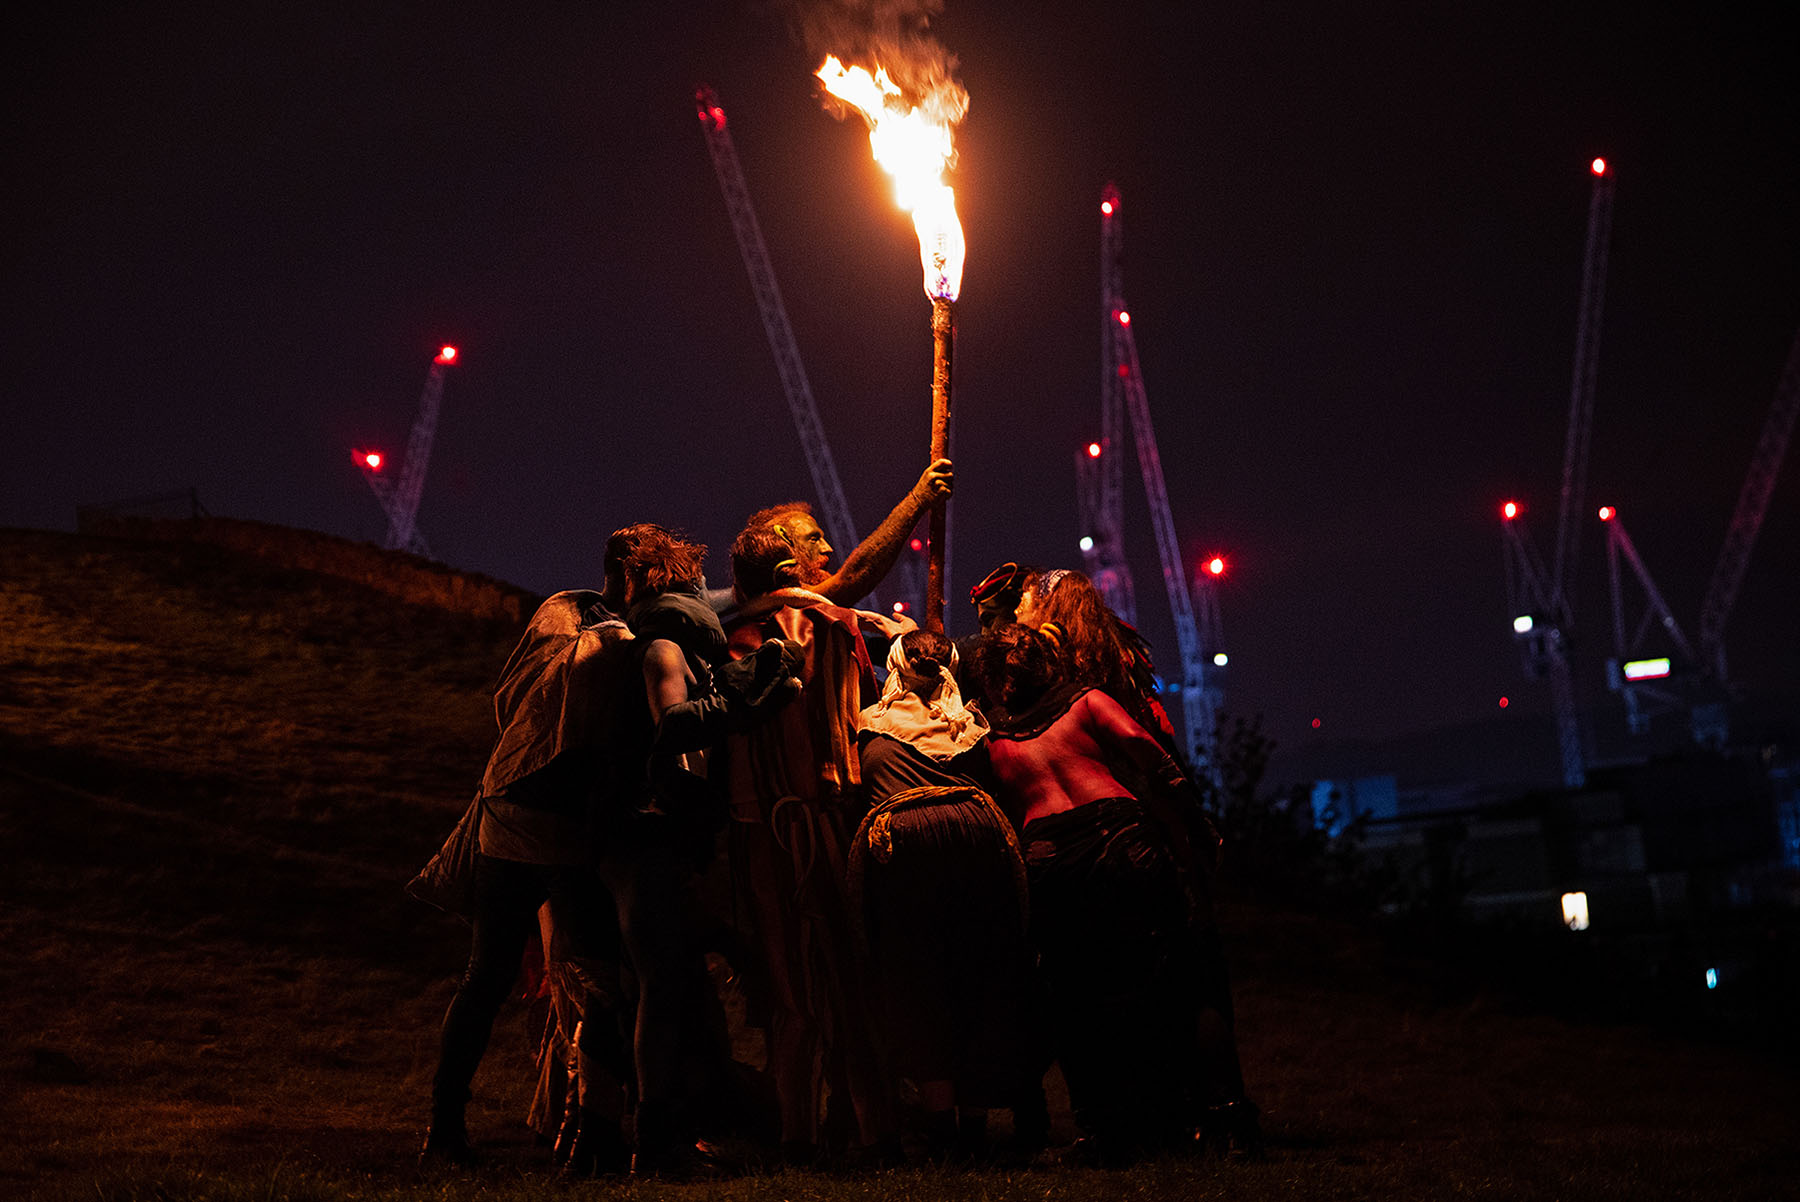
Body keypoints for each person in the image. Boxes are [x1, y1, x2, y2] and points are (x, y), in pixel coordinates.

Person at [978, 623, 1258, 1165]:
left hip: (1051, 859)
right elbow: (1141, 745)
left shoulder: (993, 739)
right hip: (1120, 839)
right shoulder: (1086, 701)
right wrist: (1189, 818)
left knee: (1078, 1002)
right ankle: (1197, 1121)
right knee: (1169, 981)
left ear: (993, 677)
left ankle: (1104, 1131)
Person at [598, 523, 800, 1177]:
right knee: (659, 989)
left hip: (656, 841)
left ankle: (640, 1134)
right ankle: (653, 1143)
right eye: (689, 584)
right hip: (646, 839)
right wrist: (737, 702)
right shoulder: (660, 650)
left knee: (661, 988)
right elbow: (673, 726)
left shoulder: (670, 647)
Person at [718, 519, 913, 1165]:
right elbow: (856, 575)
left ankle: (807, 1130)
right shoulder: (807, 621)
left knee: (800, 992)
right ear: (788, 567)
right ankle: (862, 1130)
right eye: (813, 540)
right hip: (808, 824)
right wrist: (921, 494)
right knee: (836, 981)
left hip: (769, 829)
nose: (827, 549)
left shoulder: (738, 631)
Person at [418, 588, 634, 1167]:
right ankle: (593, 1136)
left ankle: (449, 1127)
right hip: (548, 825)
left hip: (510, 810)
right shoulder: (603, 638)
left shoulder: (558, 621)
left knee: (487, 977)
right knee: (597, 979)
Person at [850, 628, 1043, 1163]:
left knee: (921, 984)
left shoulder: (870, 726)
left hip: (906, 849)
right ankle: (975, 1130)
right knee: (977, 980)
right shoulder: (973, 727)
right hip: (976, 841)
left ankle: (943, 1130)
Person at [1014, 567, 1180, 759]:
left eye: (1022, 602)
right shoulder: (1108, 648)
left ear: (1044, 607)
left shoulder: (1058, 662)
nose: (1016, 610)